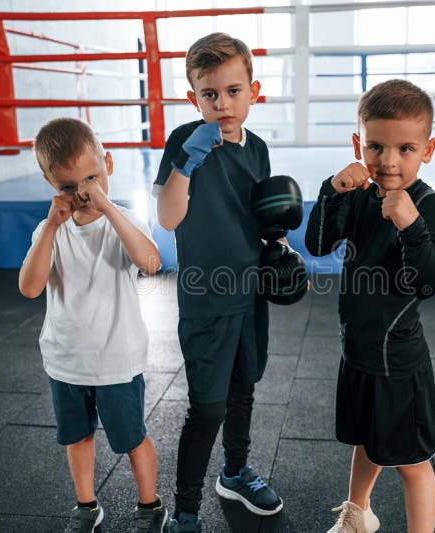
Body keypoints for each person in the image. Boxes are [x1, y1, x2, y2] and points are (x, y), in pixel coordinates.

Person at [305, 79, 435, 533]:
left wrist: (410, 226)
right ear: (358, 144)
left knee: (411, 464)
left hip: (400, 364)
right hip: (358, 353)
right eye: (376, 146)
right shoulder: (358, 197)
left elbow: (426, 282)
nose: (388, 161)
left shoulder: (431, 207)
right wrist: (332, 191)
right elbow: (317, 243)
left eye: (405, 148)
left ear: (427, 150)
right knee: (367, 441)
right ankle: (358, 515)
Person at [153, 33, 284, 533]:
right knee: (207, 408)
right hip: (206, 301)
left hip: (249, 295)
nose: (222, 104)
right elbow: (168, 218)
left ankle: (234, 473)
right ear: (193, 98)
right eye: (210, 94)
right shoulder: (184, 141)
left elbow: (260, 219)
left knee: (243, 389)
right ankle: (186, 509)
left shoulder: (259, 150)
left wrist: (279, 249)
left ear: (253, 91)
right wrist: (188, 161)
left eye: (233, 91)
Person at [19, 117, 166, 533]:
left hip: (116, 361)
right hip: (66, 361)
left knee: (132, 439)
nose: (83, 191)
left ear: (110, 165)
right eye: (69, 185)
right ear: (50, 183)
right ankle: (86, 506)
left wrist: (107, 206)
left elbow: (151, 262)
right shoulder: (50, 231)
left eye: (92, 177)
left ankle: (150, 505)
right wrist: (50, 225)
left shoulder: (125, 221)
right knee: (76, 438)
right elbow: (29, 288)